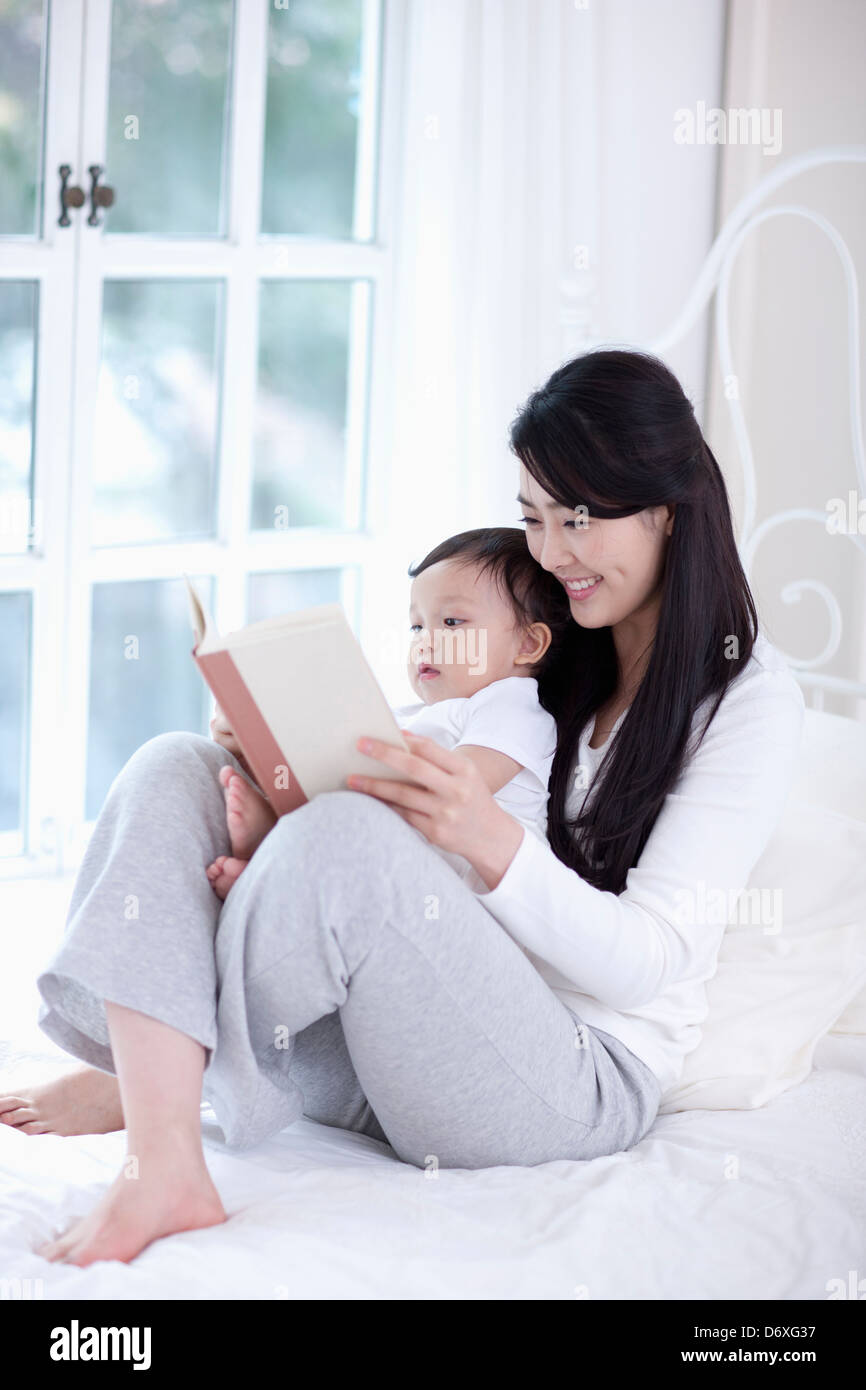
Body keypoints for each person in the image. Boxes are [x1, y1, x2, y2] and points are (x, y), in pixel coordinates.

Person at [1, 349, 803, 1271]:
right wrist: (273, 760)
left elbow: (649, 964)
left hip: (567, 1079)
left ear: (666, 505)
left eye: (578, 519)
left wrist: (485, 839)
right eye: (533, 520)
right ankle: (162, 1118)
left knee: (350, 844)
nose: (554, 553)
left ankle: (169, 1074)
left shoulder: (747, 700)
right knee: (174, 767)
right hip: (408, 1040)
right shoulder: (555, 645)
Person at [204, 526, 567, 900]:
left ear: (529, 643)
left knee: (348, 817)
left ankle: (277, 855)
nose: (425, 641)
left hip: (468, 907)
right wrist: (259, 747)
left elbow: (448, 791)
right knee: (206, 758)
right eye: (417, 626)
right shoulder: (411, 714)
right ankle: (276, 859)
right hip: (394, 874)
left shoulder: (513, 707)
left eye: (452, 623)